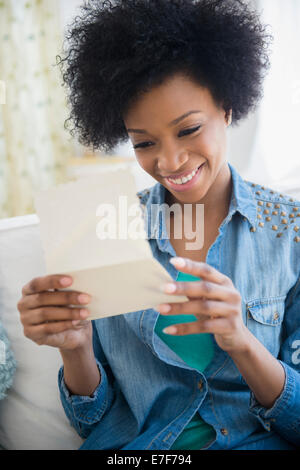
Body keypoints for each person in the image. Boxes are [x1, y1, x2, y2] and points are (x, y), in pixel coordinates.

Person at [17, 0, 300, 450]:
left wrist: (242, 343)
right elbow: (93, 421)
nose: (168, 162)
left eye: (188, 130)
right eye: (144, 143)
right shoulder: (103, 229)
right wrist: (75, 347)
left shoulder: (290, 233)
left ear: (226, 107)